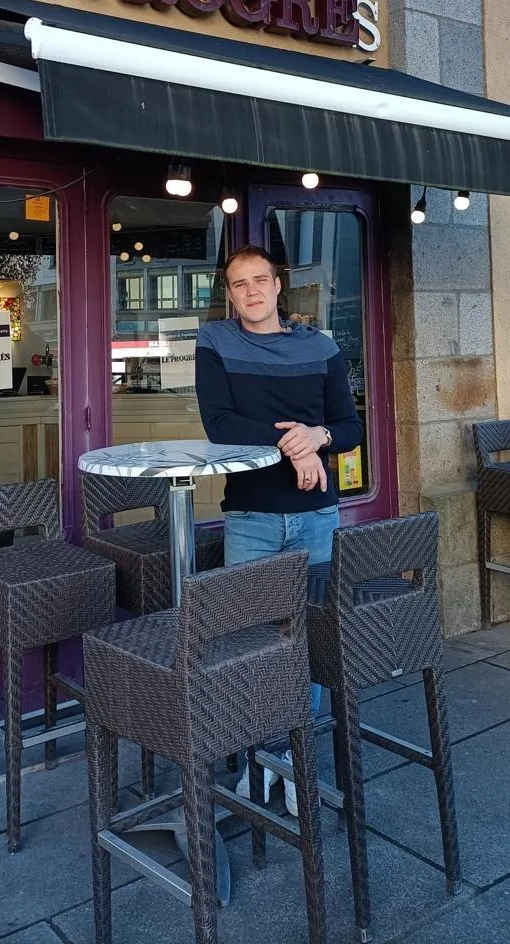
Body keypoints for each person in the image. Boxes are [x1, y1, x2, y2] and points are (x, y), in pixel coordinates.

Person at [195, 243, 363, 815]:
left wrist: (316, 438)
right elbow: (220, 425)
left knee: (310, 640)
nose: (252, 291)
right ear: (230, 292)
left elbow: (349, 425)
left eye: (260, 280)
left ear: (278, 284)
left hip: (318, 515)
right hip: (252, 516)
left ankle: (292, 759)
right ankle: (256, 758)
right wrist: (293, 445)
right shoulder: (215, 342)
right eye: (240, 284)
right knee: (252, 638)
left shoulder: (321, 346)